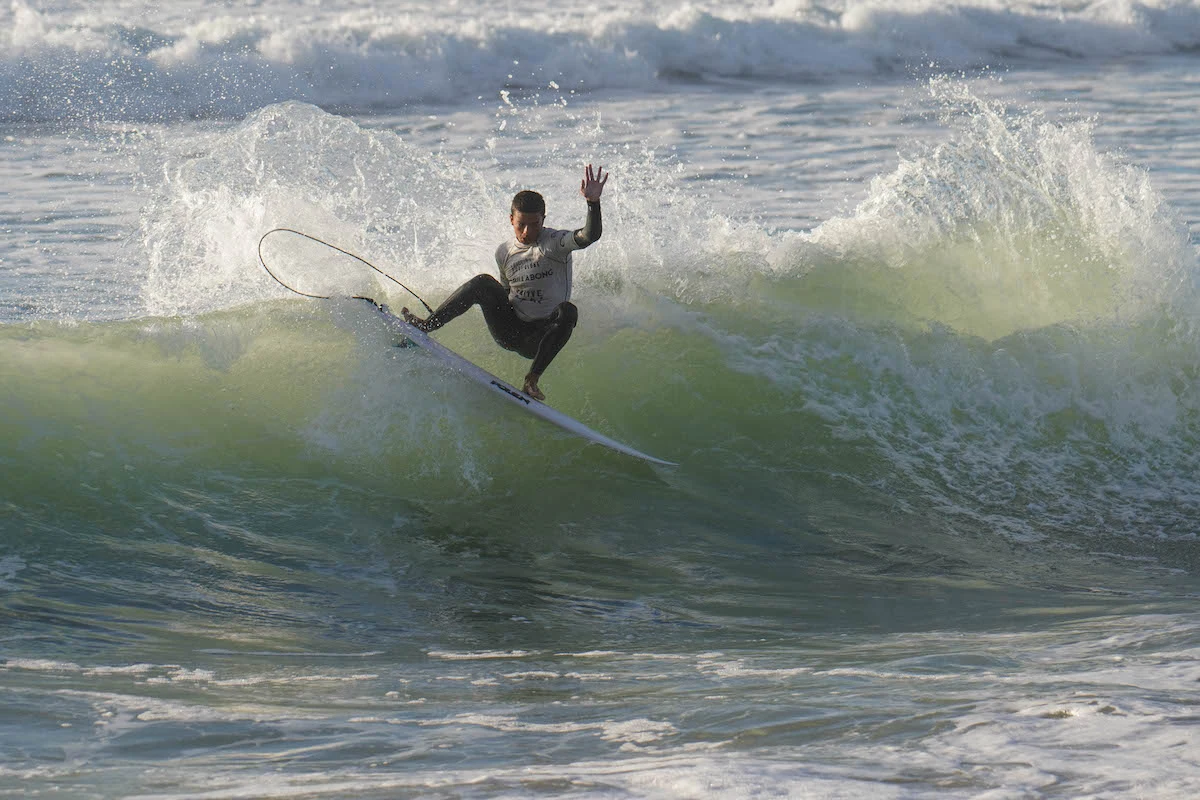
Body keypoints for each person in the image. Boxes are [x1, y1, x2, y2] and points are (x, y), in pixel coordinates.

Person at [402, 164, 608, 401]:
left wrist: (593, 204)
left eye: (535, 224)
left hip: (539, 338)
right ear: (511, 220)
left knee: (568, 311)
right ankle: (427, 326)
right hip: (509, 332)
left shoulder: (555, 243)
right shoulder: (504, 252)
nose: (527, 231)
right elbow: (506, 292)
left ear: (544, 220)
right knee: (483, 283)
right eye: (521, 224)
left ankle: (532, 380)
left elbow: (588, 236)